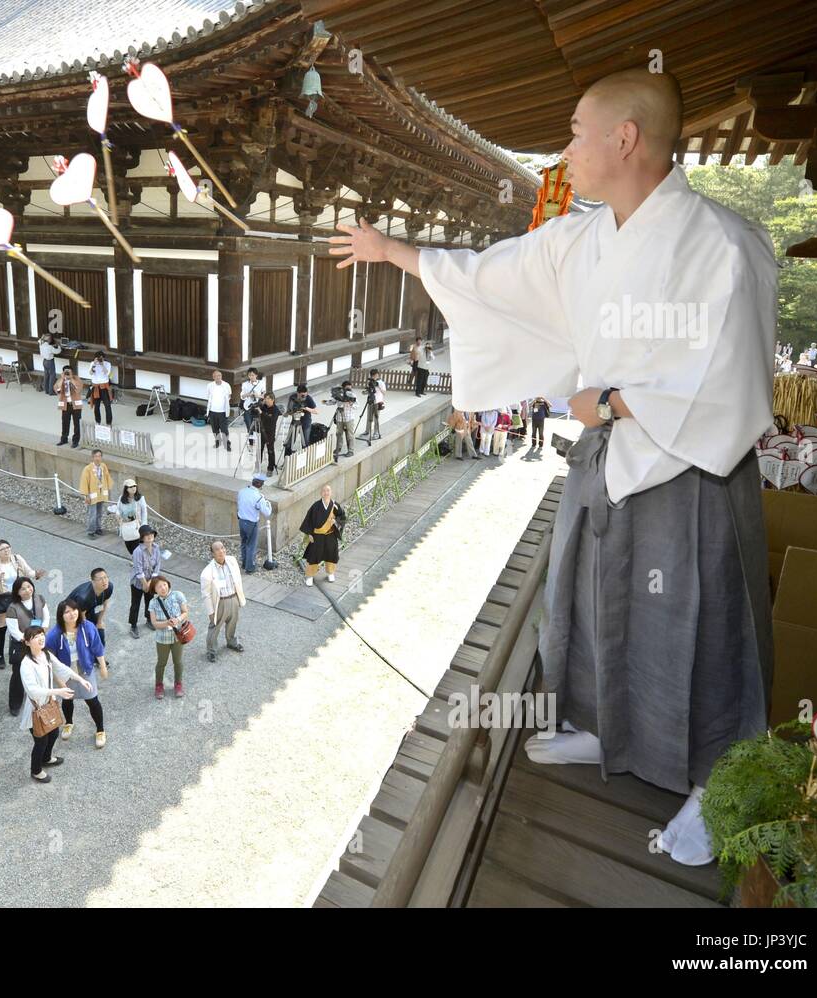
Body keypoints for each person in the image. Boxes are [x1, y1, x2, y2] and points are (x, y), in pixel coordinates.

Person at [330, 67, 775, 866]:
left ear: (625, 138)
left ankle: (719, 786)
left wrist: (607, 404)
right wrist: (389, 249)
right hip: (608, 463)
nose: (565, 149)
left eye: (575, 131)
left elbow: (730, 384)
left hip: (694, 477)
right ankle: (605, 728)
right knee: (590, 595)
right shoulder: (581, 239)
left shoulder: (725, 246)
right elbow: (486, 277)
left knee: (700, 626)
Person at [18, 626, 89, 782]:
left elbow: (62, 668)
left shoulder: (46, 654)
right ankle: (36, 770)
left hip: (48, 704)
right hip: (36, 708)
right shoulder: (26, 664)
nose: (41, 638)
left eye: (42, 634)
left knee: (54, 733)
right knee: (41, 740)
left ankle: (46, 758)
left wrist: (81, 679)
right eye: (36, 636)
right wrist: (58, 692)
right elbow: (33, 690)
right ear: (28, 642)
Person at [46, 599, 108, 748]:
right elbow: (49, 660)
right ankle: (69, 723)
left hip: (84, 667)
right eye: (66, 612)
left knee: (92, 699)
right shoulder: (54, 634)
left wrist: (103, 666)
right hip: (65, 670)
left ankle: (100, 730)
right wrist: (59, 681)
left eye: (74, 610)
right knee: (67, 699)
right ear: (61, 616)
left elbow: (97, 648)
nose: (71, 614)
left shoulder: (87, 627)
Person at [0, 539, 47, 669]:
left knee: (22, 625)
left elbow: (28, 572)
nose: (6, 550)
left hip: (18, 598)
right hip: (3, 599)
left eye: (8, 547)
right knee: (2, 629)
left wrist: (36, 574)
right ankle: (0, 655)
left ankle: (22, 646)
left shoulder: (17, 559)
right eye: (2, 549)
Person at [4, 576, 49, 715]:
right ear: (17, 592)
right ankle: (15, 704)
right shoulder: (13, 607)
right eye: (23, 588)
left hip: (39, 641)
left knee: (40, 670)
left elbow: (46, 617)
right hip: (22, 644)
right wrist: (28, 640)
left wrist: (43, 631)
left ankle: (40, 698)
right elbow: (14, 631)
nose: (27, 590)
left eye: (29, 586)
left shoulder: (39, 598)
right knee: (18, 674)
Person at [200, 541, 246, 663]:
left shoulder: (232, 561)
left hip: (233, 598)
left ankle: (231, 642)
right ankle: (211, 651)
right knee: (215, 627)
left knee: (233, 623)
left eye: (223, 548)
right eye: (217, 550)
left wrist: (239, 598)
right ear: (212, 554)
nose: (221, 551)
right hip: (220, 602)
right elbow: (206, 594)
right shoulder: (207, 572)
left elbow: (238, 579)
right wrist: (210, 611)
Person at [148, 575, 191, 699]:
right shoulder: (153, 602)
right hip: (162, 638)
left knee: (178, 661)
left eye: (164, 584)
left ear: (168, 584)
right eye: (159, 586)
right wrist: (166, 623)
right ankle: (159, 685)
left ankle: (178, 684)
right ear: (154, 590)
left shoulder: (178, 595)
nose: (163, 588)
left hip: (178, 636)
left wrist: (177, 619)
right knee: (161, 662)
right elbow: (155, 623)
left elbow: (185, 612)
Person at [299, 484, 346, 586]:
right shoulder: (315, 506)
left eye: (328, 490)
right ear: (321, 493)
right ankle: (310, 576)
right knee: (313, 555)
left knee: (331, 554)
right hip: (317, 536)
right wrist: (310, 534)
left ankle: (330, 573)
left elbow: (342, 516)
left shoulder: (335, 505)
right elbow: (308, 520)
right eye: (324, 491)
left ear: (331, 492)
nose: (326, 493)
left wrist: (336, 521)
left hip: (330, 534)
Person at [129, 524, 164, 639]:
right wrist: (145, 583)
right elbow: (138, 570)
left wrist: (150, 582)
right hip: (138, 582)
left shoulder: (156, 548)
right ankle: (133, 625)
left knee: (149, 602)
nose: (149, 537)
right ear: (142, 538)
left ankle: (149, 619)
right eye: (146, 535)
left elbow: (158, 564)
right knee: (135, 603)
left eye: (151, 534)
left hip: (151, 580)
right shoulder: (137, 551)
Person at [236, 475, 273, 574]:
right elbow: (267, 513)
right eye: (262, 483)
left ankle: (244, 563)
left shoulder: (242, 491)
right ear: (259, 484)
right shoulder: (259, 497)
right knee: (251, 545)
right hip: (251, 523)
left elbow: (239, 504)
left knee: (244, 543)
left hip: (241, 520)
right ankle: (250, 567)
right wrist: (268, 504)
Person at [67, 567, 113, 646]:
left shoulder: (109, 587)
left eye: (105, 577)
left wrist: (99, 622)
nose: (104, 581)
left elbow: (105, 604)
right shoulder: (84, 597)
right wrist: (87, 631)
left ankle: (99, 656)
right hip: (70, 612)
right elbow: (82, 616)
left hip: (89, 608)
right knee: (74, 641)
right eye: (100, 579)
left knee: (100, 632)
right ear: (93, 581)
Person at [80, 449, 112, 538]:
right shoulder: (87, 469)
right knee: (92, 514)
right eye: (96, 456)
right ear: (92, 457)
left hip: (100, 494)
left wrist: (108, 489)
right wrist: (86, 495)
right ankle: (91, 531)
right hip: (92, 495)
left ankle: (98, 528)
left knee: (99, 513)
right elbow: (84, 482)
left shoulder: (103, 466)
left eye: (99, 456)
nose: (98, 458)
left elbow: (107, 477)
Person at [113, 478, 149, 553]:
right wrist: (118, 515)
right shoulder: (122, 498)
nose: (133, 488)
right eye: (131, 487)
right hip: (125, 525)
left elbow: (144, 512)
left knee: (137, 543)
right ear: (126, 489)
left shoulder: (140, 498)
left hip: (137, 525)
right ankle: (134, 557)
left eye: (134, 486)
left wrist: (144, 525)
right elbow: (118, 509)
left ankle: (137, 560)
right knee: (128, 543)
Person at [205, 368, 232, 450]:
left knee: (224, 429)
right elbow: (208, 396)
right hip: (212, 411)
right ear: (213, 377)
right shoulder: (209, 385)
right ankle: (217, 441)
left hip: (223, 411)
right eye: (216, 376)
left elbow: (230, 396)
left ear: (221, 376)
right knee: (214, 429)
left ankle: (227, 443)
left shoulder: (226, 385)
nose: (218, 377)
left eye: (219, 375)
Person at [331, 380, 357, 459]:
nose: (348, 390)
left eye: (350, 388)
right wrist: (325, 402)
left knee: (350, 434)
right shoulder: (339, 394)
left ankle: (351, 450)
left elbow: (357, 406)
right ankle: (339, 447)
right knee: (339, 433)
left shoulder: (352, 395)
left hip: (349, 418)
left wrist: (351, 404)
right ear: (343, 388)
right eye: (347, 388)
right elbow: (333, 401)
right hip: (339, 417)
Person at [87, 351, 114, 425]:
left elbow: (108, 373)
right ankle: (97, 421)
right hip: (96, 386)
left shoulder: (107, 364)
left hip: (104, 386)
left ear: (103, 358)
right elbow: (90, 373)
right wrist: (94, 365)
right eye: (98, 358)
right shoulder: (93, 363)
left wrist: (102, 365)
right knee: (97, 406)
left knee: (107, 405)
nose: (99, 359)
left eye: (101, 358)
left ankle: (109, 422)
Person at [239, 367, 265, 441]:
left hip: (257, 406)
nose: (251, 377)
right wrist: (248, 394)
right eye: (250, 375)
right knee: (249, 425)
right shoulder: (245, 384)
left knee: (259, 425)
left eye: (253, 375)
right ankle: (251, 443)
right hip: (248, 406)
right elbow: (242, 396)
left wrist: (258, 395)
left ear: (256, 375)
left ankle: (262, 441)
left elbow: (264, 395)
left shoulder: (261, 383)